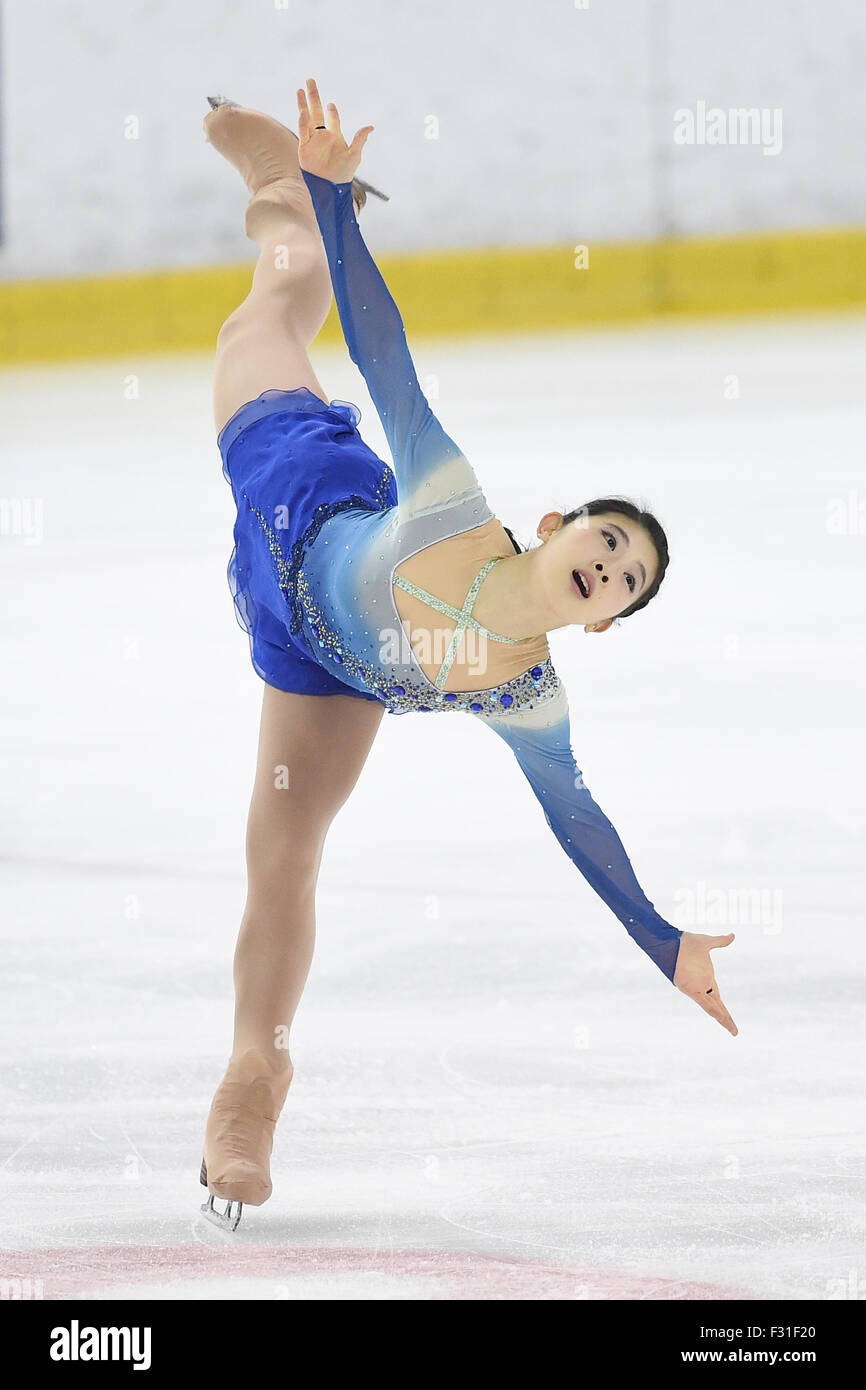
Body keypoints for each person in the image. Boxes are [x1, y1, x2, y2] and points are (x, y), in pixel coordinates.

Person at [198, 80, 737, 1232]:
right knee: (272, 313)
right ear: (554, 528)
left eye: (627, 582)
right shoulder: (449, 501)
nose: (611, 567)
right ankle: (277, 198)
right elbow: (382, 348)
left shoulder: (528, 694)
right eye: (608, 542)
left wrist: (662, 942)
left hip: (326, 665)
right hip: (296, 491)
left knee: (282, 852)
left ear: (601, 622)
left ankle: (252, 1086)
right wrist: (335, 203)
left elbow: (579, 821)